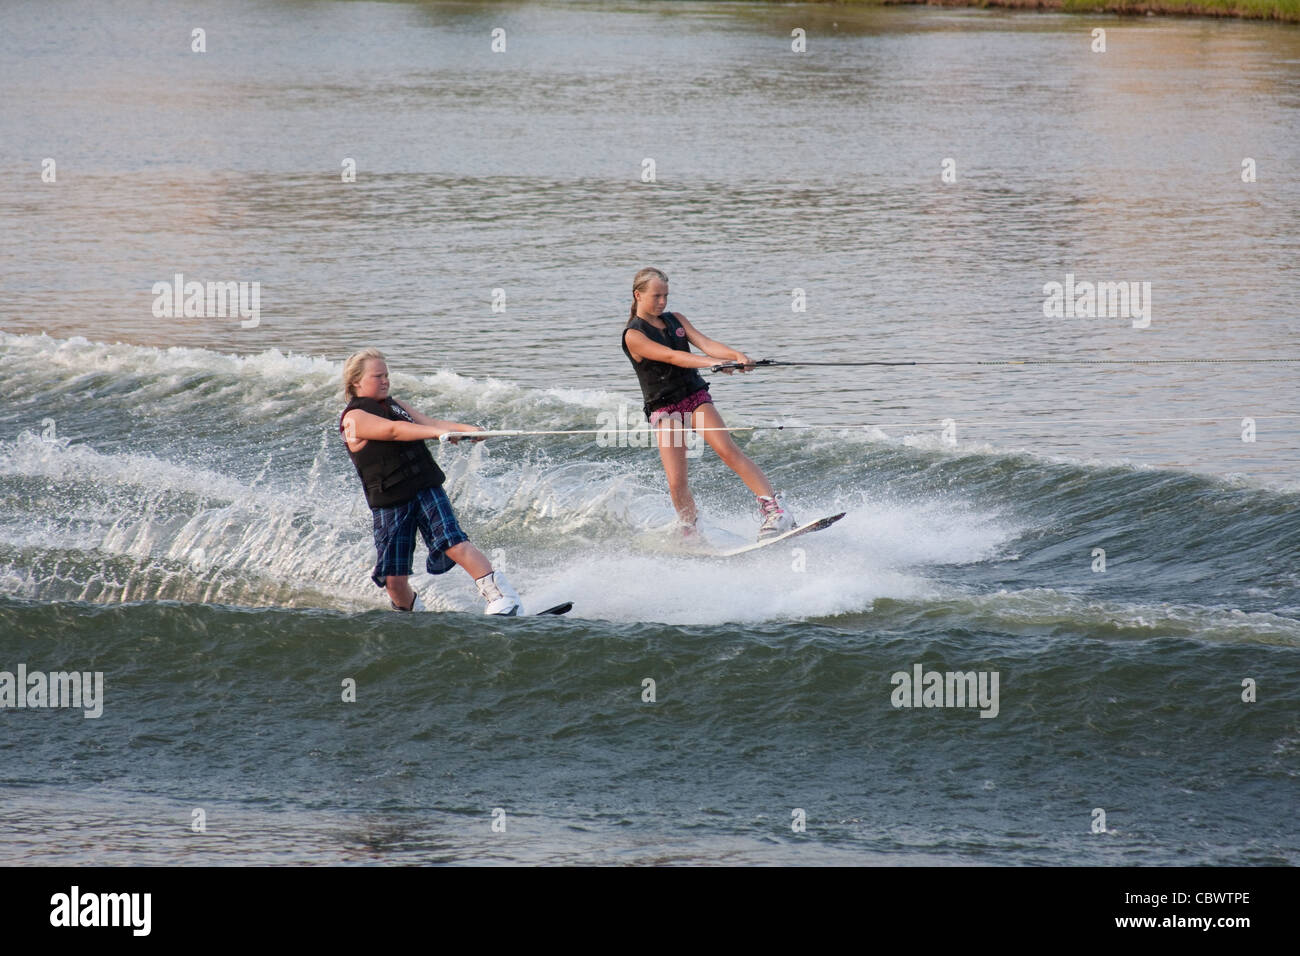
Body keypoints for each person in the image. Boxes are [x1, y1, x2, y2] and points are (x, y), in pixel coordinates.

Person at [339, 348, 521, 614]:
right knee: (394, 579)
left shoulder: (394, 405)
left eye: (387, 375)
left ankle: (503, 599)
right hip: (390, 501)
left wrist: (468, 429)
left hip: (424, 488)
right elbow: (393, 431)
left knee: (453, 542)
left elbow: (428, 421)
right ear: (356, 382)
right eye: (378, 376)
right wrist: (440, 434)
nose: (385, 381)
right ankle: (410, 617)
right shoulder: (353, 418)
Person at [620, 267, 797, 541]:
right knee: (677, 482)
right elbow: (671, 357)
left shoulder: (676, 320)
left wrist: (735, 356)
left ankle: (776, 511)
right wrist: (714, 363)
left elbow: (705, 343)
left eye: (666, 295)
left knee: (727, 451)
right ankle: (690, 530)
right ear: (638, 295)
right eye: (656, 296)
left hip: (694, 397)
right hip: (665, 409)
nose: (663, 302)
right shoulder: (634, 335)